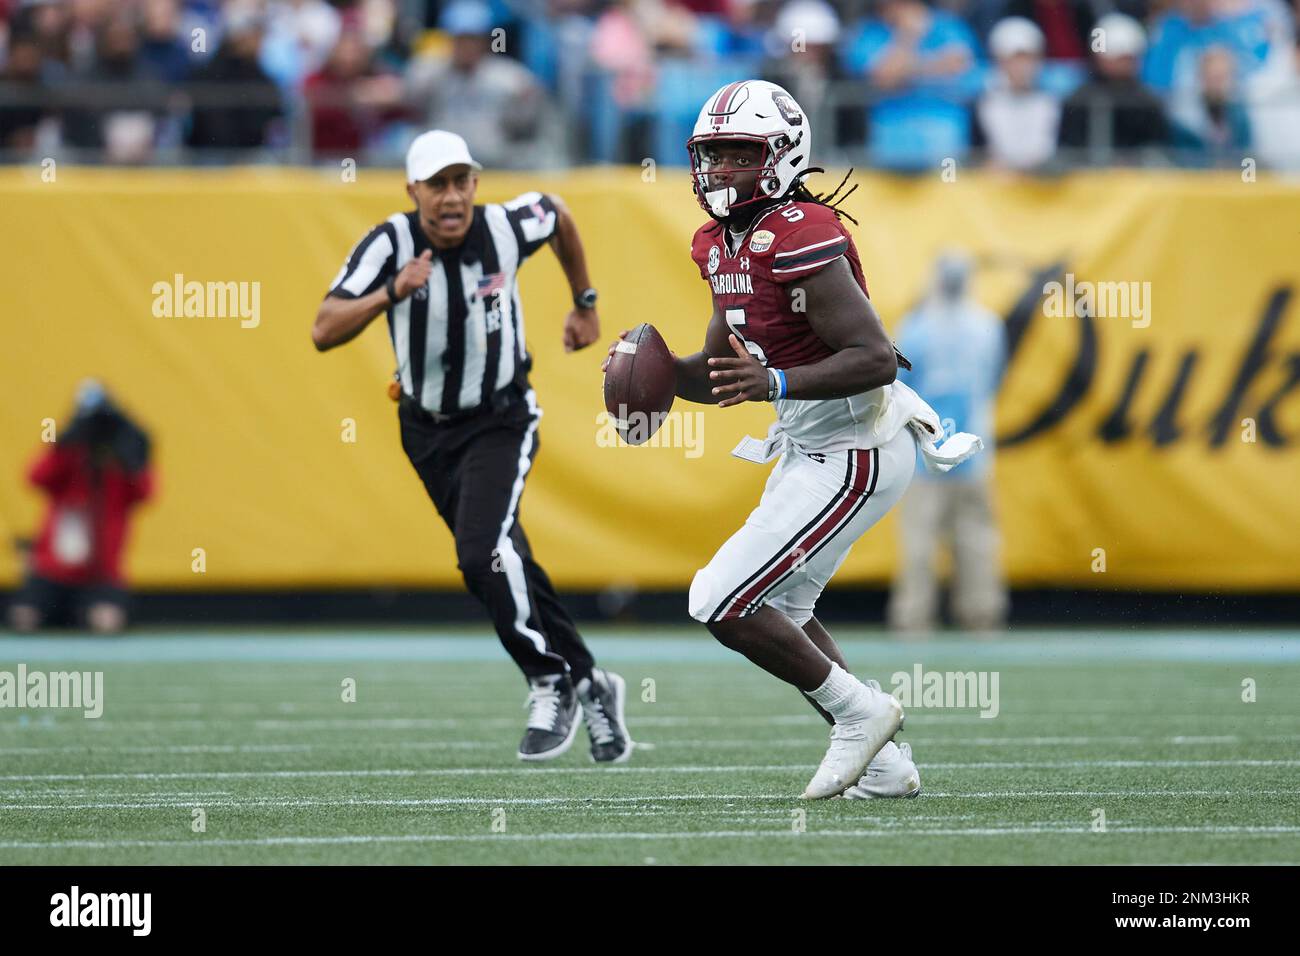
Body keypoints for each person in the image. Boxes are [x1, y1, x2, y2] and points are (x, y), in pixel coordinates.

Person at [603, 81, 981, 799]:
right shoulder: (717, 242)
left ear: (781, 156)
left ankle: (860, 716)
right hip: (814, 446)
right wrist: (647, 374)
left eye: (739, 155)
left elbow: (875, 356)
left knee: (718, 598)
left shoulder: (801, 230)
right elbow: (721, 373)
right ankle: (886, 765)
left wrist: (774, 384)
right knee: (784, 612)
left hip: (858, 443)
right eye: (710, 155)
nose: (719, 172)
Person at [312, 130, 632, 764]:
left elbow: (559, 212)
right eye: (438, 185)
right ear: (413, 191)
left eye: (462, 182)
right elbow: (323, 328)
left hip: (502, 417)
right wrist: (391, 293)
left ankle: (550, 680)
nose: (452, 197)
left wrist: (585, 302)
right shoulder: (390, 243)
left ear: (476, 186)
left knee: (481, 552)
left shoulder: (508, 226)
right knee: (507, 561)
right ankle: (592, 682)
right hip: (427, 429)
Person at [888, 252, 1008, 633]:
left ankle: (914, 618)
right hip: (972, 450)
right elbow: (993, 380)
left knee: (920, 542)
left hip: (926, 453)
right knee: (975, 541)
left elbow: (901, 389)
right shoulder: (987, 326)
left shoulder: (917, 327)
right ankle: (981, 616)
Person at [7, 381, 154, 634]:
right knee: (24, 618)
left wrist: (132, 453)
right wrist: (64, 444)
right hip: (53, 572)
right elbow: (35, 477)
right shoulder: (69, 456)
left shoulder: (118, 461)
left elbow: (145, 493)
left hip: (101, 574)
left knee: (106, 621)